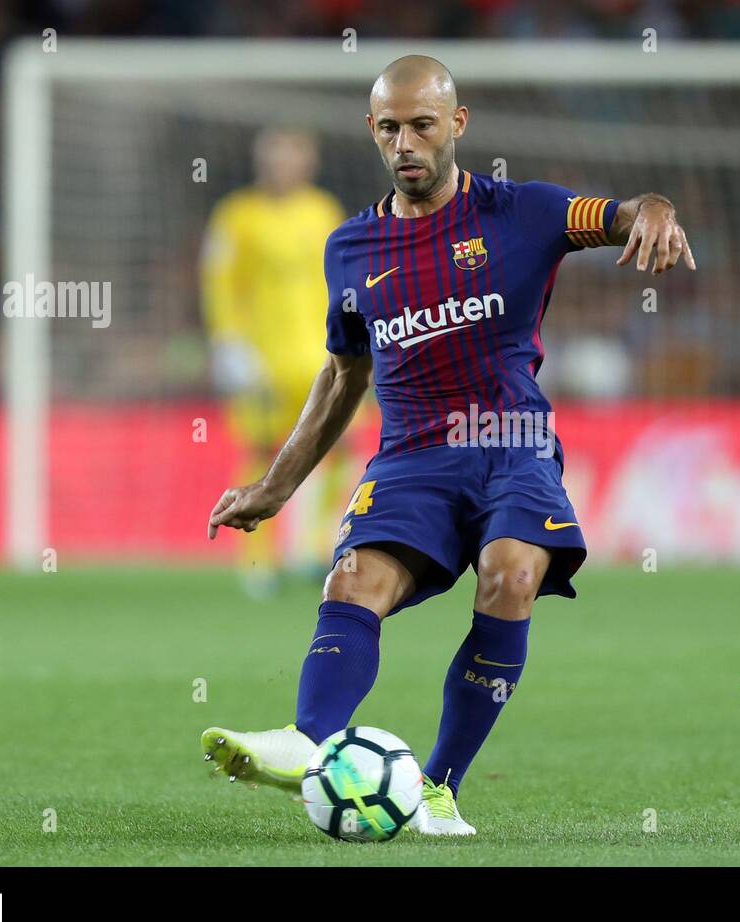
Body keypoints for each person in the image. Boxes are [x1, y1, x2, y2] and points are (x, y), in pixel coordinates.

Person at [202, 55, 695, 835]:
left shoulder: (525, 211)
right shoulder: (351, 249)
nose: (407, 143)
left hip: (512, 448)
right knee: (352, 580)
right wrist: (274, 487)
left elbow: (621, 212)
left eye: (423, 126)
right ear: (372, 130)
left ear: (456, 125)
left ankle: (437, 787)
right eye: (390, 127)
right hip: (411, 458)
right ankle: (307, 740)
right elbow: (341, 378)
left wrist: (656, 209)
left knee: (509, 574)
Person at [201, 128, 348, 595]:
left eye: (292, 157)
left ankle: (314, 548)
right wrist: (228, 344)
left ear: (308, 163)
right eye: (274, 158)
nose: (282, 167)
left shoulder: (324, 211)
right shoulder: (237, 216)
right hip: (262, 361)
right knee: (261, 455)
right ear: (260, 163)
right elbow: (219, 283)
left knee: (340, 450)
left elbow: (345, 282)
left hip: (322, 360)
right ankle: (257, 561)